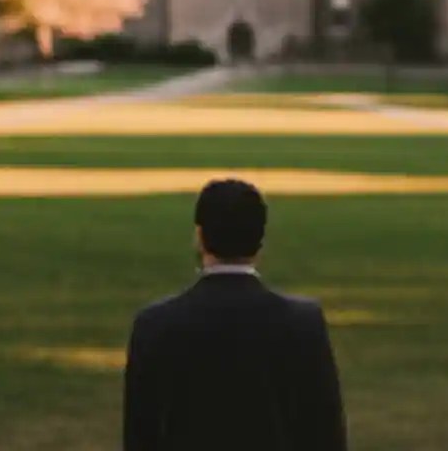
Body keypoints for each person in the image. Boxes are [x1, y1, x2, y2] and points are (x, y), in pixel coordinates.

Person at [123, 179, 347, 451]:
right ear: (261, 239)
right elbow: (326, 436)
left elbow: (141, 438)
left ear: (200, 236)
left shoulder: (155, 325)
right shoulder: (303, 324)